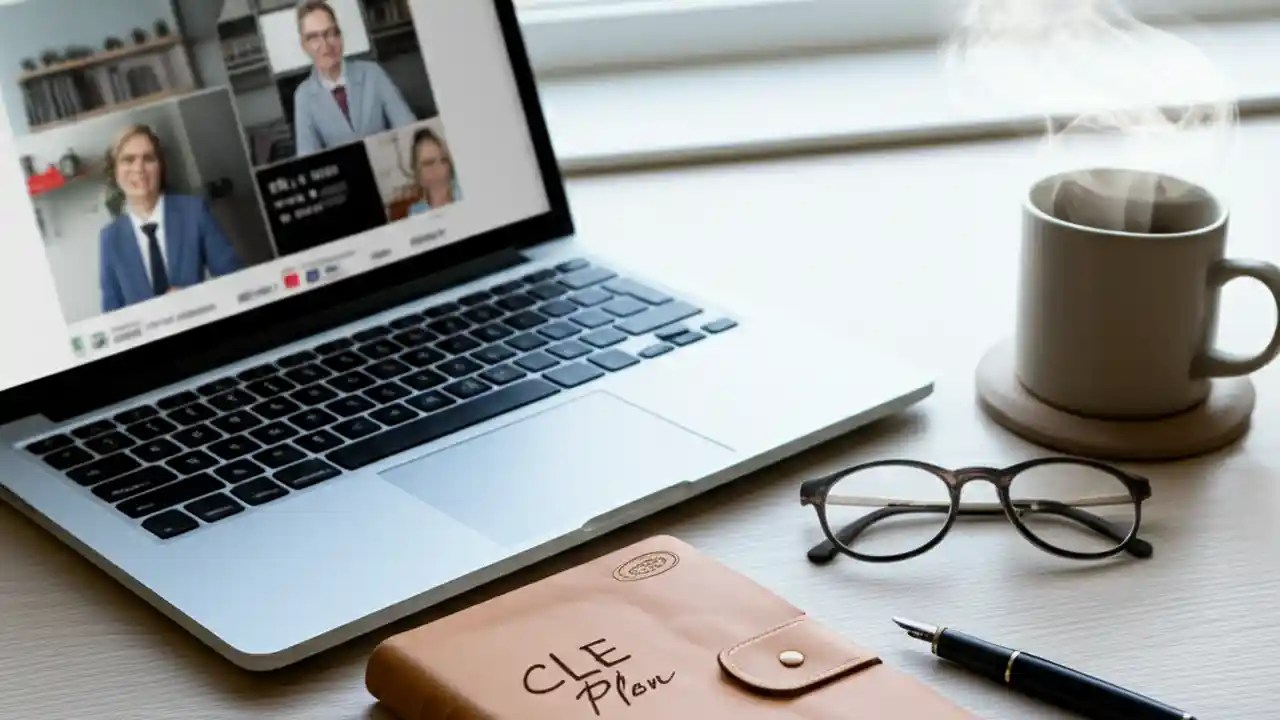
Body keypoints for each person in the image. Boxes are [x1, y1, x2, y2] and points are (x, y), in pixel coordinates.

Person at [98, 124, 243, 314]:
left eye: (148, 158)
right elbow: (112, 315)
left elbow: (236, 280)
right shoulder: (110, 238)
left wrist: (196, 300)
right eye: (128, 160)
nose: (139, 168)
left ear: (160, 167)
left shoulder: (193, 211)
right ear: (115, 172)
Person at [292, 0, 417, 157]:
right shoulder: (303, 96)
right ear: (304, 45)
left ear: (340, 36)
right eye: (314, 38)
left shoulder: (372, 73)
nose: (325, 44)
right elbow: (308, 159)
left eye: (330, 33)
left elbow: (409, 128)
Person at [407, 127, 461, 216]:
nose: (440, 168)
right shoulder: (415, 213)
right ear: (418, 174)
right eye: (428, 163)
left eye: (444, 160)